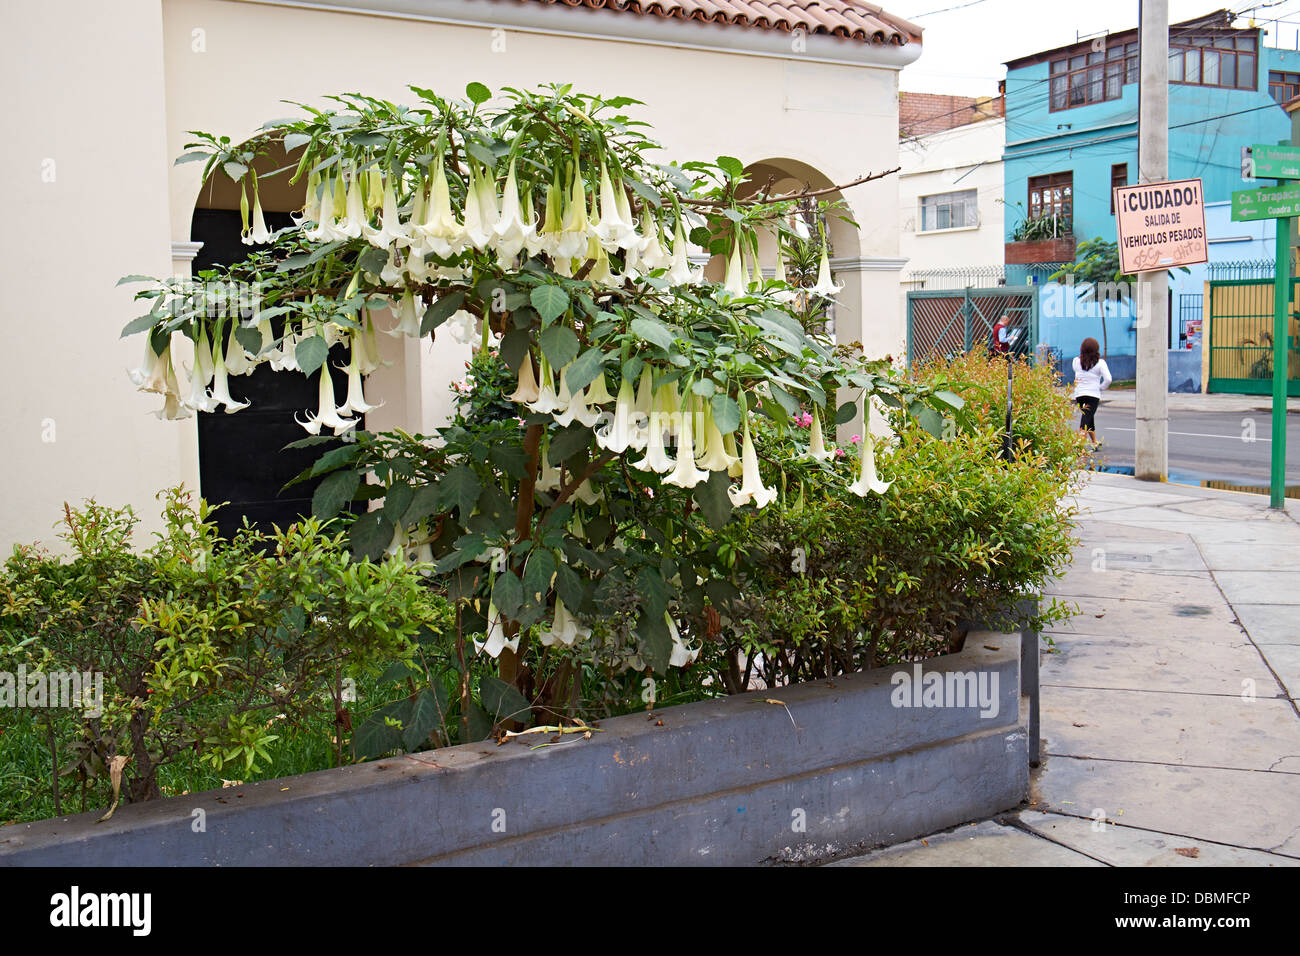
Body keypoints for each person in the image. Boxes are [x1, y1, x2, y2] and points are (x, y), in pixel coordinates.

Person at [1071, 337, 1112, 442]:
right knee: (1086, 419)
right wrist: (1100, 388)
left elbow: (1076, 371)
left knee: (1088, 417)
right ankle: (1080, 445)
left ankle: (1094, 442)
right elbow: (1108, 379)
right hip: (1093, 395)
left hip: (1080, 395)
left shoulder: (1076, 361)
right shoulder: (1100, 363)